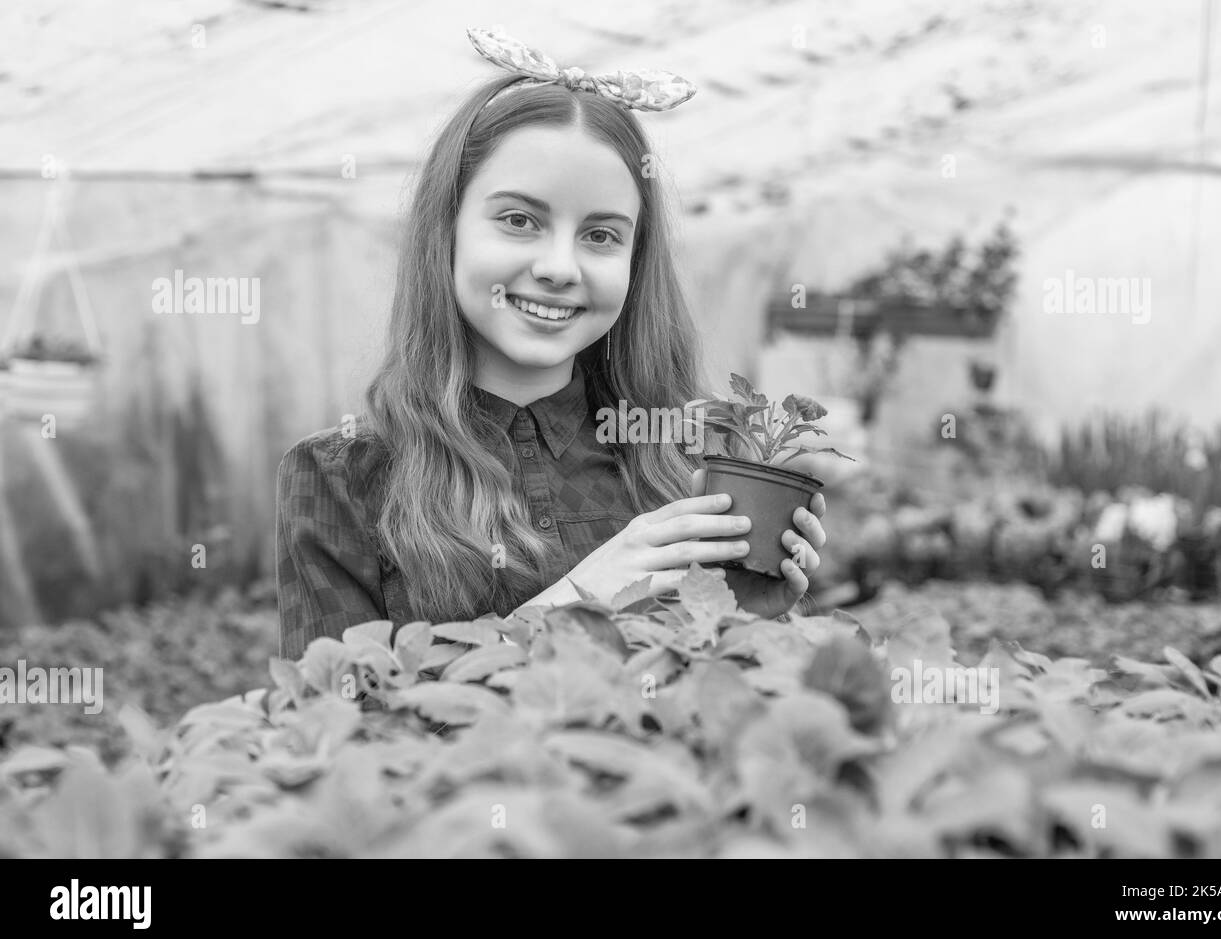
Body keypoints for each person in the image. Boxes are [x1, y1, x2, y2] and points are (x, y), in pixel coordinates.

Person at [275, 28, 829, 661]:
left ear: (635, 261)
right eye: (520, 221)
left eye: (601, 236)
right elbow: (336, 731)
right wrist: (581, 600)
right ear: (446, 230)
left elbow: (736, 722)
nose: (560, 267)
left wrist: (757, 623)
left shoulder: (692, 455)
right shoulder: (340, 481)